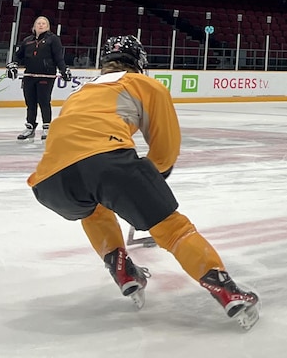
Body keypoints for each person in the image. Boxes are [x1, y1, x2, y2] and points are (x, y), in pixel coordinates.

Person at [27, 36, 259, 329]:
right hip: (107, 162)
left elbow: (72, 146)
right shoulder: (146, 85)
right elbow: (165, 149)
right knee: (174, 231)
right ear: (139, 62)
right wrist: (147, 188)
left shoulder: (81, 92)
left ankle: (122, 270)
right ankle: (227, 291)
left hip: (49, 182)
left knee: (93, 209)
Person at [8, 15, 70, 141]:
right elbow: (18, 56)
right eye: (38, 23)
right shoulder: (27, 41)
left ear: (47, 27)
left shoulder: (53, 39)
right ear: (34, 26)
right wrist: (13, 65)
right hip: (29, 75)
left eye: (44, 23)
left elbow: (58, 57)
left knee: (43, 101)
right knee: (30, 103)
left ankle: (47, 127)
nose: (41, 25)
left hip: (46, 76)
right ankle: (30, 127)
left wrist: (64, 70)